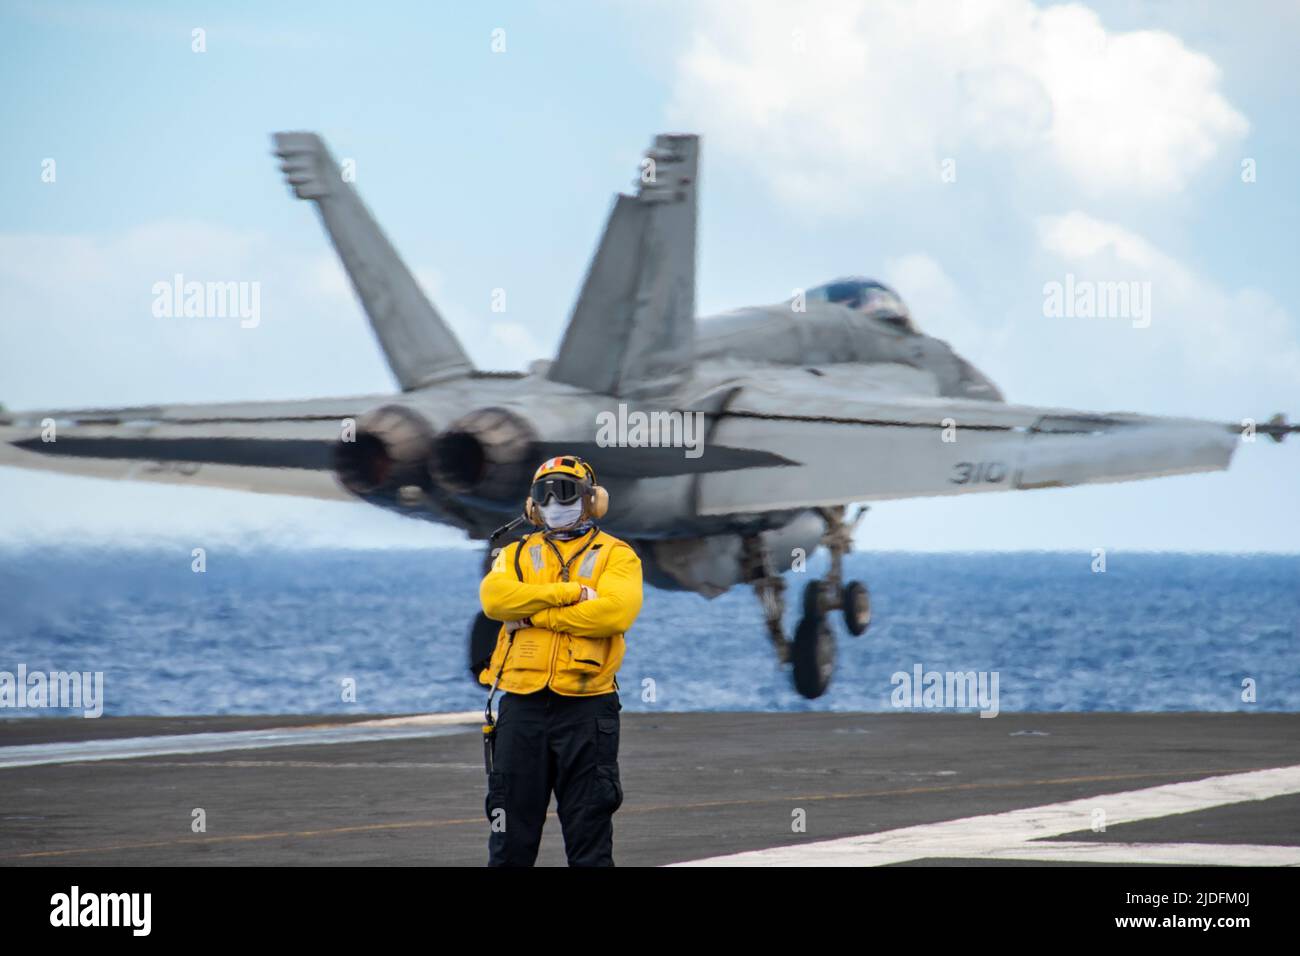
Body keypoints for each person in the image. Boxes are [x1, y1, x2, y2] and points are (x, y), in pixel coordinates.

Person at [478, 455, 643, 866]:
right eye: (543, 494)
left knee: (589, 837)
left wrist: (530, 615)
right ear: (532, 506)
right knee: (509, 839)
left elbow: (612, 614)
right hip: (521, 706)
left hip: (586, 710)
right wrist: (567, 595)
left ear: (592, 500)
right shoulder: (515, 554)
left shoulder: (617, 555)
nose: (554, 501)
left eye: (565, 491)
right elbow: (494, 600)